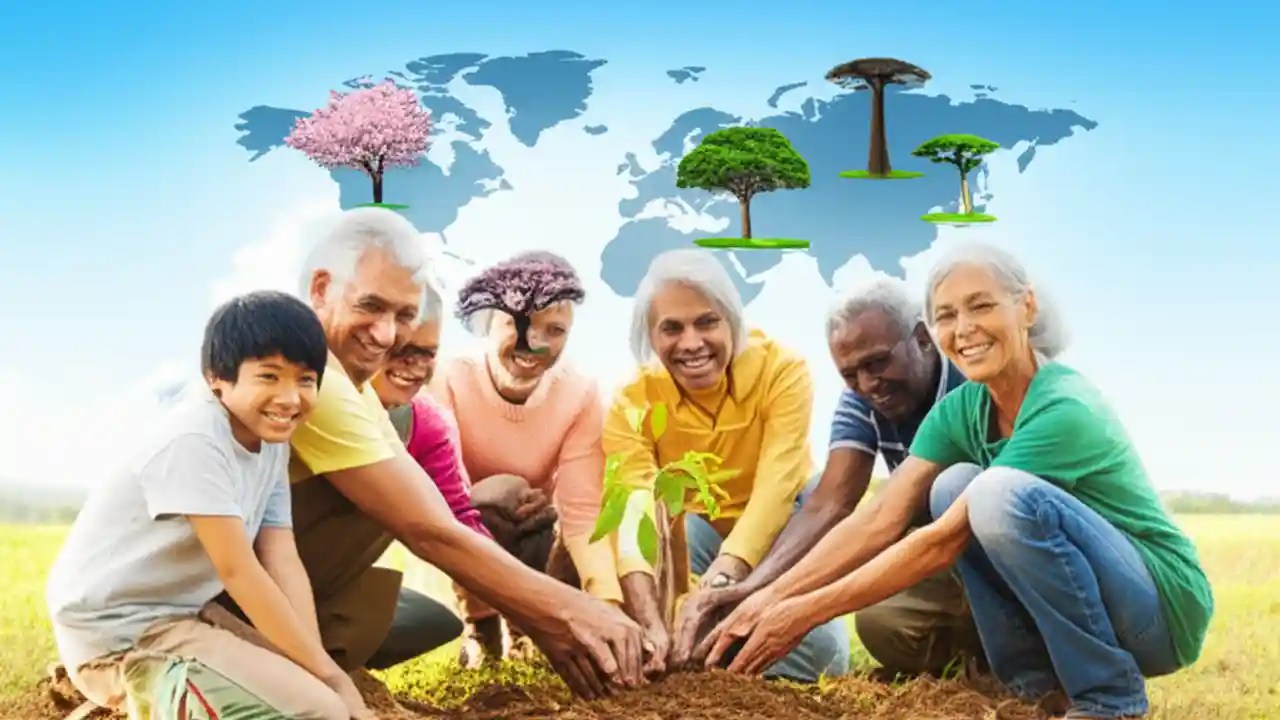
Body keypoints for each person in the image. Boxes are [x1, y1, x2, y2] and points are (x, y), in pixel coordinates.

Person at [702, 242, 1214, 720]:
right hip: (1098, 599)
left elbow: (943, 540)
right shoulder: (963, 408)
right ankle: (1032, 691)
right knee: (954, 484)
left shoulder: (1064, 406)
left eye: (982, 306)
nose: (964, 327)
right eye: (947, 314)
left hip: (1158, 612)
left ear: (1027, 308)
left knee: (989, 494)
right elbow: (880, 517)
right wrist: (765, 599)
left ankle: (1109, 698)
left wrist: (804, 613)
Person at [221, 207, 646, 700]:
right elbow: (426, 527)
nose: (386, 335)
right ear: (320, 289)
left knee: (417, 616)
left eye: (403, 316)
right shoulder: (311, 379)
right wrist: (562, 612)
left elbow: (444, 509)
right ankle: (254, 652)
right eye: (371, 307)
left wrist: (582, 604)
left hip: (276, 567)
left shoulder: (355, 388)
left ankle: (289, 647)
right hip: (200, 587)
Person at [45, 290, 371, 719]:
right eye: (269, 377)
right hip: (118, 634)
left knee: (320, 696)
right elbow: (239, 570)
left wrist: (318, 665)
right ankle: (142, 688)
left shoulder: (271, 438)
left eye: (305, 379)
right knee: (320, 712)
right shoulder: (195, 439)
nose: (290, 398)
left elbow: (280, 555)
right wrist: (330, 680)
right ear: (217, 376)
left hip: (182, 616)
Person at [670, 276, 982, 679]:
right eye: (850, 374)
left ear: (922, 339)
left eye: (877, 362)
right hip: (934, 555)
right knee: (878, 623)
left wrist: (796, 605)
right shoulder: (862, 398)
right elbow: (830, 502)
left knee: (952, 486)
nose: (869, 384)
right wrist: (754, 589)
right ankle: (967, 656)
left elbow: (888, 519)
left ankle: (1019, 655)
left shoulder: (969, 383)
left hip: (996, 548)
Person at [603, 248, 851, 684]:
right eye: (671, 329)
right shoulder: (632, 398)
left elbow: (776, 488)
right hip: (693, 541)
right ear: (650, 335)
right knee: (661, 520)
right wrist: (649, 619)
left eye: (707, 322)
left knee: (825, 657)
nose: (692, 343)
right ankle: (692, 645)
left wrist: (718, 588)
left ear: (731, 320)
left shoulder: (783, 370)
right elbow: (635, 510)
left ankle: (721, 639)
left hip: (776, 542)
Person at [429, 251, 667, 673]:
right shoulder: (447, 378)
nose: (533, 344)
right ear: (490, 323)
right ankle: (481, 627)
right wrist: (481, 503)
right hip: (461, 515)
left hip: (538, 526)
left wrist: (604, 607)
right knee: (497, 493)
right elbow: (445, 493)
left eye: (554, 330)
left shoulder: (580, 394)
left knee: (555, 508)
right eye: (516, 325)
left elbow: (582, 516)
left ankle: (526, 631)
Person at [370, 277, 490, 540]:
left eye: (428, 353)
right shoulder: (316, 394)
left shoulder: (426, 425)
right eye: (401, 350)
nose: (416, 365)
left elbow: (457, 520)